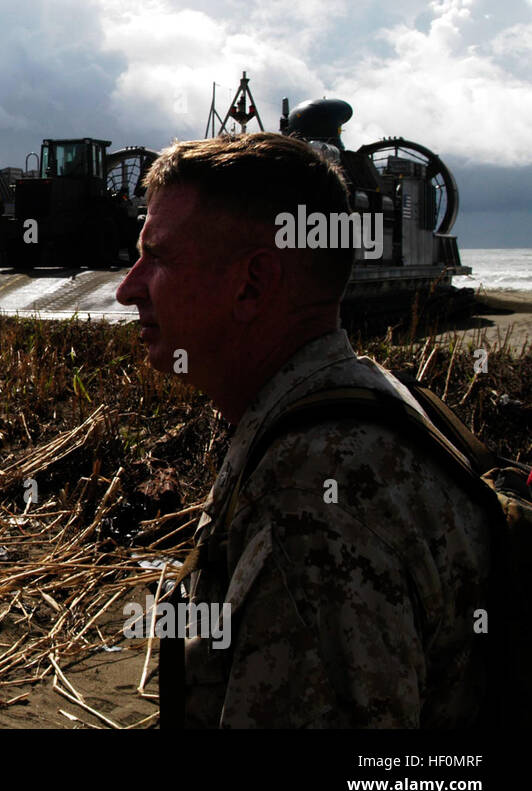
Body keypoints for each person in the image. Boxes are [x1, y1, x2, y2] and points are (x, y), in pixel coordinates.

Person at [114, 132, 490, 728]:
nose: (126, 288)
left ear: (253, 285)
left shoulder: (311, 504)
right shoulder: (382, 405)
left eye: (157, 257)